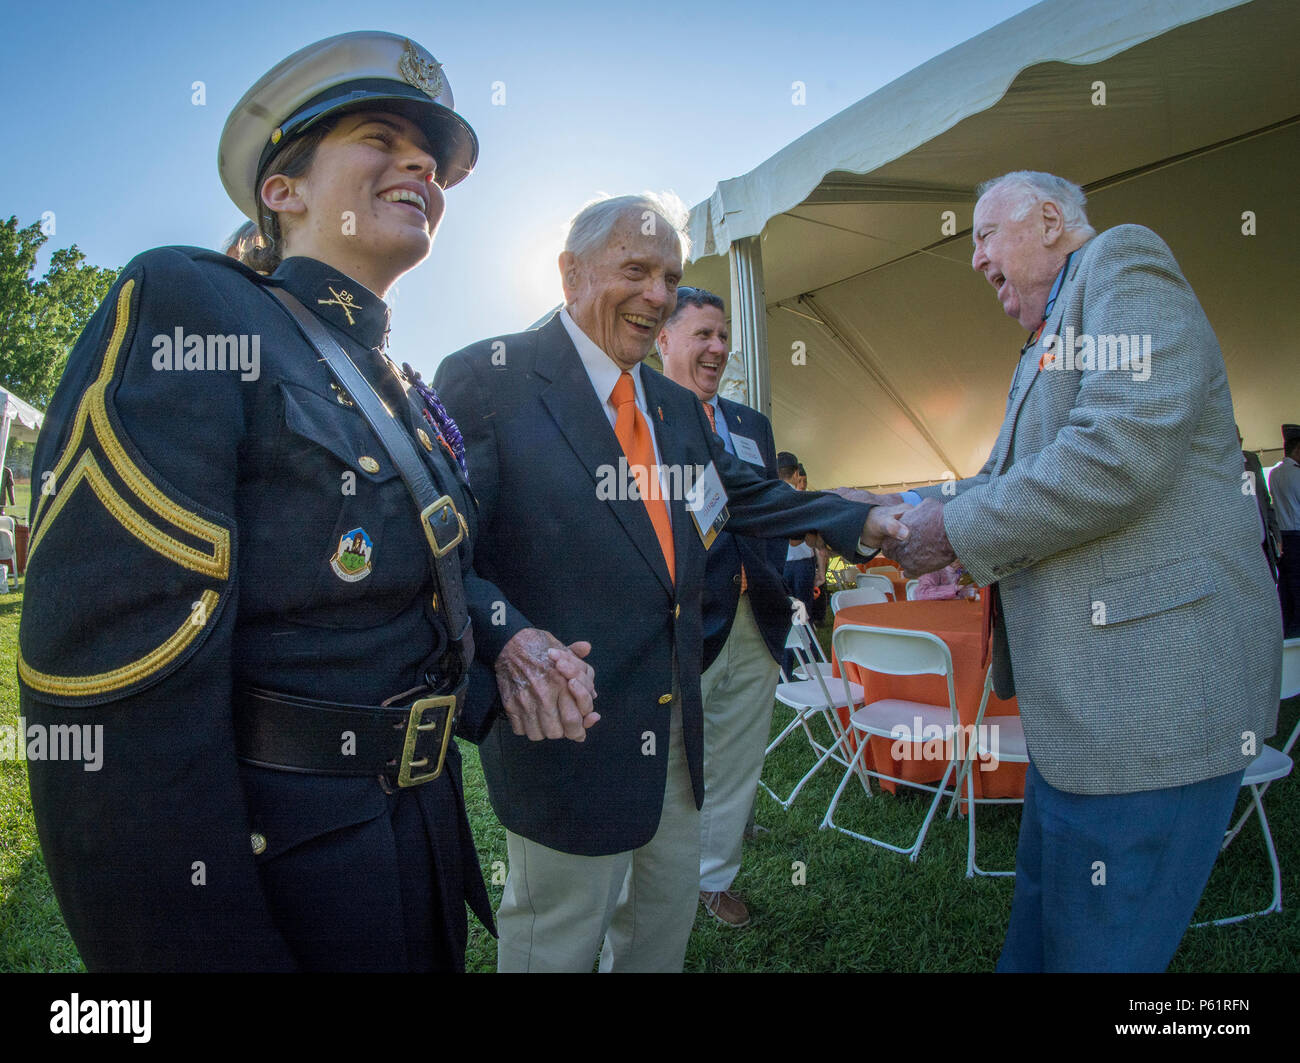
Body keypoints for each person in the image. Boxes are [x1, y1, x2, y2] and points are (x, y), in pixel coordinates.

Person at [18, 31, 594, 973]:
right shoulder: (195, 305)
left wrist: (510, 640)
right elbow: (120, 704)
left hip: (421, 833)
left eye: (434, 159)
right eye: (381, 137)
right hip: (284, 866)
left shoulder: (402, 385)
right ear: (281, 192)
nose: (421, 166)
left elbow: (431, 575)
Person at [434, 192, 905, 972]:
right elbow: (449, 553)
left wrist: (862, 523)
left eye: (671, 276)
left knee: (660, 929)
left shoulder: (674, 407)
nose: (658, 295)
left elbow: (746, 495)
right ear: (571, 272)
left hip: (679, 724)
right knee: (557, 940)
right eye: (636, 270)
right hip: (569, 731)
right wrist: (511, 637)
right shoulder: (491, 379)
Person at [885, 170, 1280, 972]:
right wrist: (900, 512)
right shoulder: (1047, 334)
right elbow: (1003, 479)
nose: (975, 261)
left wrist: (950, 528)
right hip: (1087, 721)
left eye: (984, 235)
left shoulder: (1122, 262)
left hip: (1150, 709)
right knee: (1047, 939)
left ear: (1052, 219)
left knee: (1101, 950)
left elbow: (1117, 451)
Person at [656, 286, 789, 929]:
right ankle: (655, 881)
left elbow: (772, 509)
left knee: (737, 754)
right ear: (663, 339)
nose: (718, 348)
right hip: (682, 623)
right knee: (673, 761)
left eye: (723, 335)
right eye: (703, 334)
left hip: (755, 615)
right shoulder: (643, 420)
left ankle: (713, 878)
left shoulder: (750, 424)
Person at [1270, 424, 1300, 637]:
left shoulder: (1275, 473)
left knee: (1288, 588)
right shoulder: (1296, 474)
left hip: (1284, 537)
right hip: (1298, 535)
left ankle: (1288, 630)